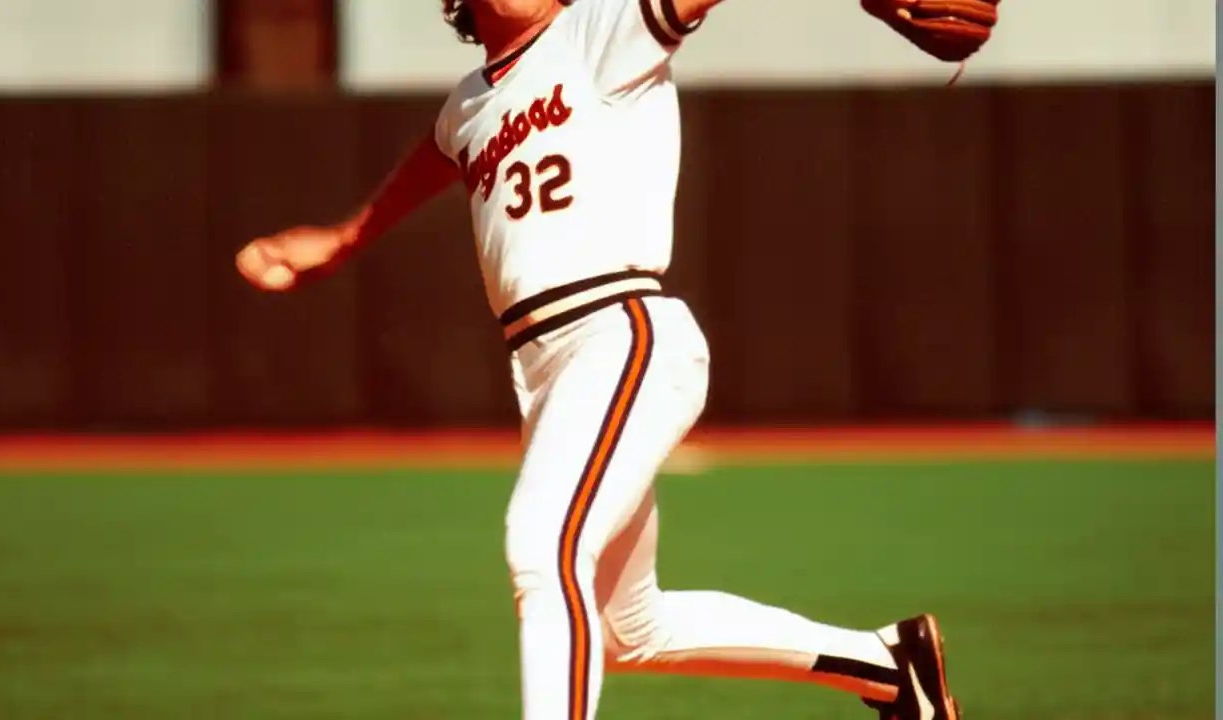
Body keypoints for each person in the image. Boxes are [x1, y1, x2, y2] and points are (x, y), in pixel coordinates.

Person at [236, 2, 998, 717]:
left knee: (543, 549)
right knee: (625, 630)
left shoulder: (600, 29)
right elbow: (440, 153)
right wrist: (344, 238)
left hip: (621, 332)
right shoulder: (467, 104)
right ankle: (888, 666)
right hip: (545, 368)